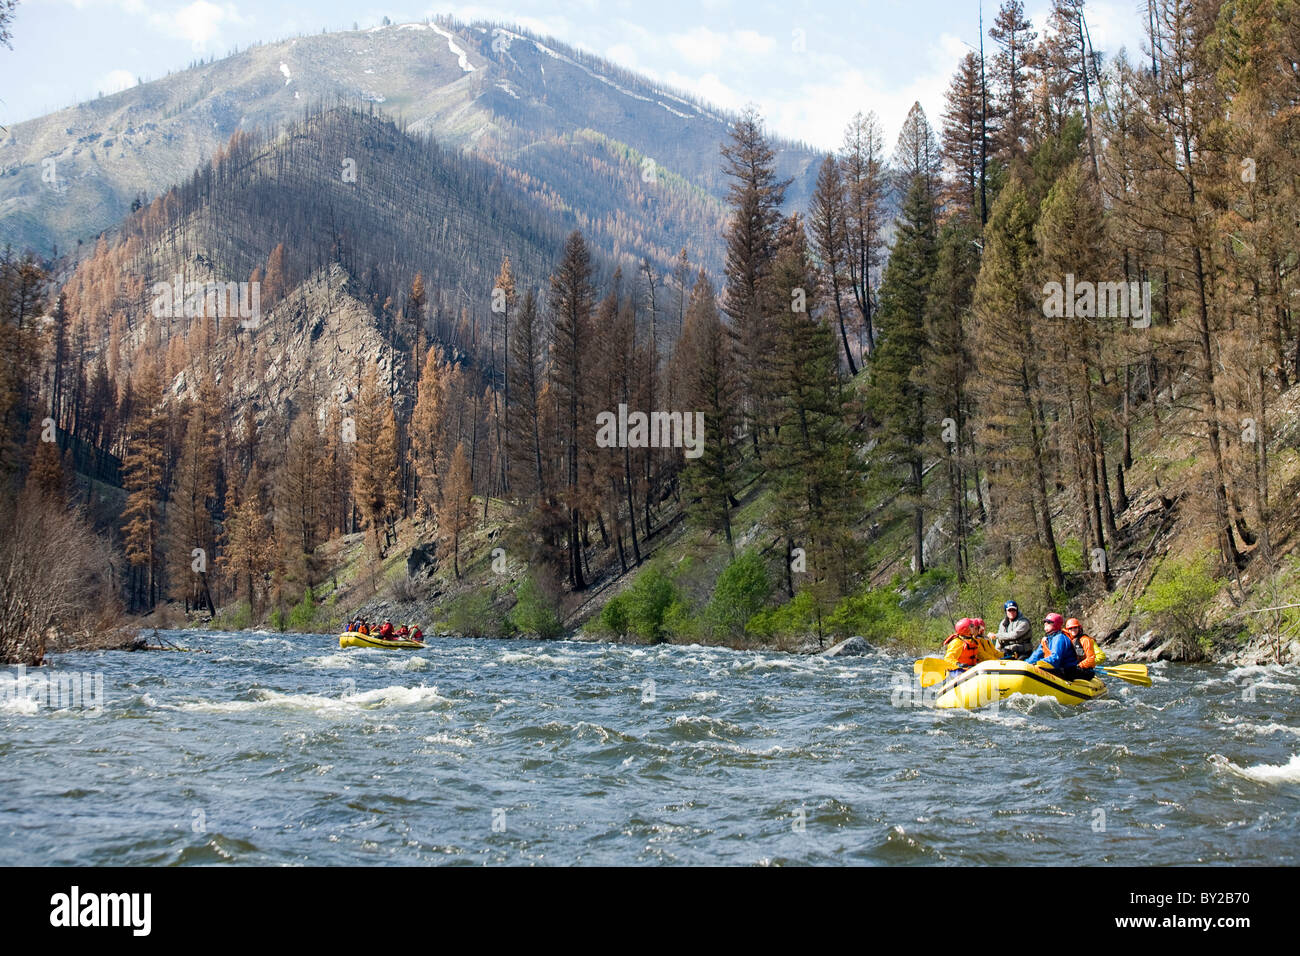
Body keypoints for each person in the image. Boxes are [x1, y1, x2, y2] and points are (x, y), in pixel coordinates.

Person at [1025, 612, 1082, 679]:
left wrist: (1039, 663)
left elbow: (1055, 658)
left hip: (1067, 670)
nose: (1045, 624)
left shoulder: (1059, 638)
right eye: (1045, 622)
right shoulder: (1047, 639)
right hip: (1058, 667)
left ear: (1056, 624)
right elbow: (1036, 655)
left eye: (1048, 622)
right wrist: (1026, 663)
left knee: (1039, 670)